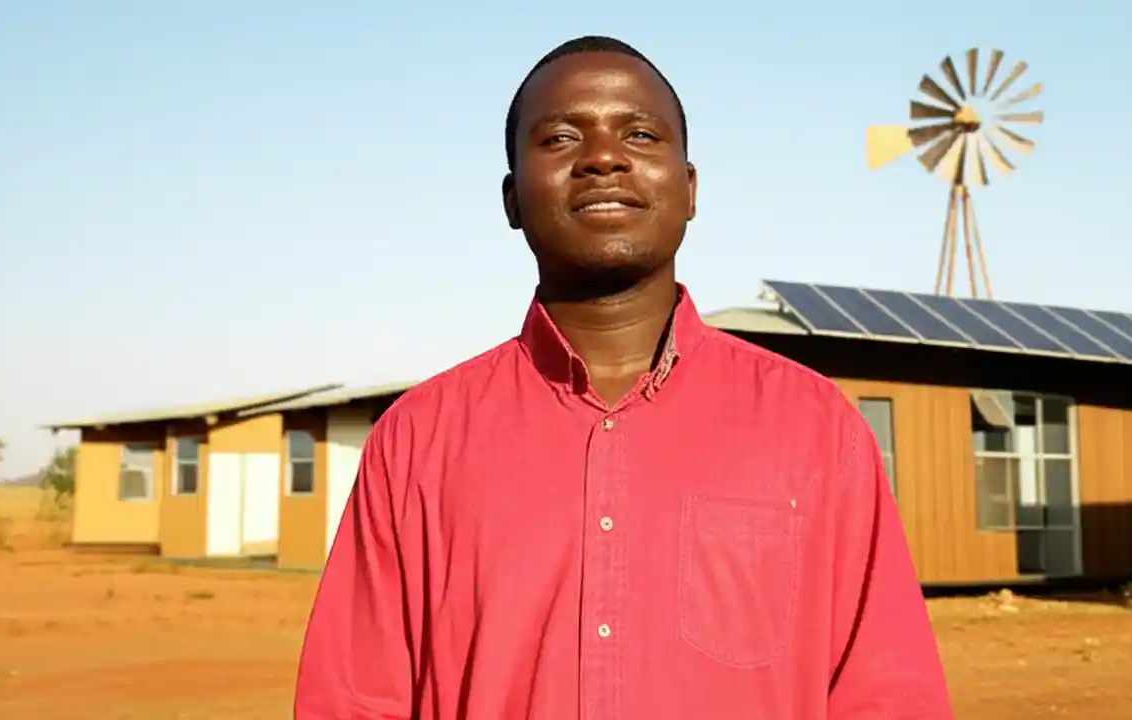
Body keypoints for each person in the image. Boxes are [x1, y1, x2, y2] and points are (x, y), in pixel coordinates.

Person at [294, 35, 953, 719]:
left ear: (690, 189)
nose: (603, 158)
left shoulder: (817, 429)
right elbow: (353, 702)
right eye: (559, 139)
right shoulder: (416, 442)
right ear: (512, 198)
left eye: (639, 133)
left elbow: (889, 697)